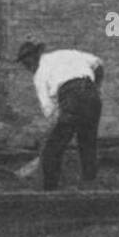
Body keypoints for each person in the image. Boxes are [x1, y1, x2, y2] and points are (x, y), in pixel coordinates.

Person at [15, 41, 104, 190]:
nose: (27, 67)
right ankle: (90, 184)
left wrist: (50, 132)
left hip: (71, 97)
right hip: (92, 96)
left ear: (34, 57)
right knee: (88, 143)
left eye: (26, 62)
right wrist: (96, 87)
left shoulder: (40, 74)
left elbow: (49, 110)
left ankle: (50, 189)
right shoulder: (65, 54)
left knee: (53, 147)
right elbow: (98, 64)